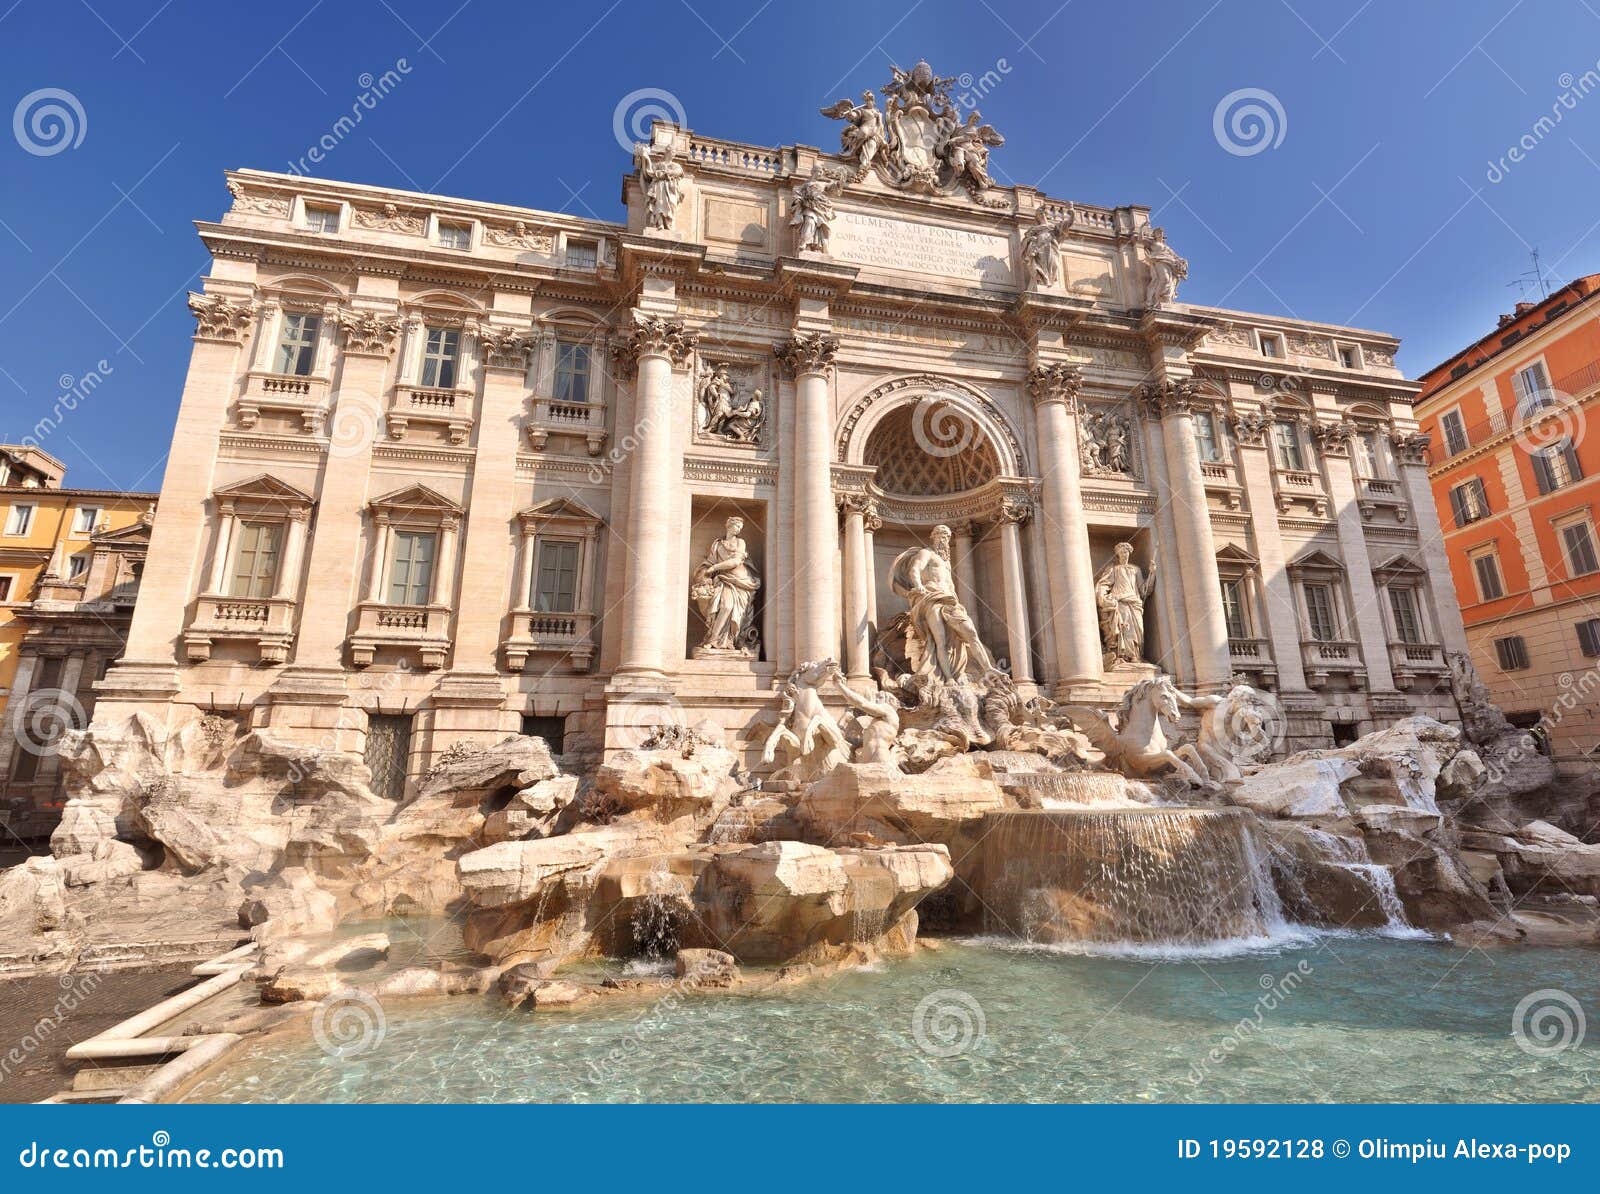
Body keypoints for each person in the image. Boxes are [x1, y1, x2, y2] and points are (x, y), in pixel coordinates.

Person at [888, 524, 994, 684]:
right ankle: (948, 677)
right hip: (931, 598)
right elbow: (915, 569)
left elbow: (950, 584)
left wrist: (956, 601)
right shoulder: (926, 553)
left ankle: (988, 669)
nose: (943, 539)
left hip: (950, 601)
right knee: (940, 640)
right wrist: (919, 586)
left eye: (946, 536)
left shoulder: (946, 563)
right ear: (932, 537)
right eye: (939, 534)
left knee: (970, 633)